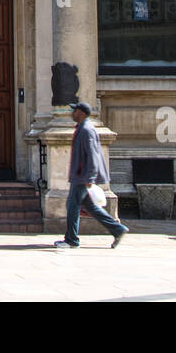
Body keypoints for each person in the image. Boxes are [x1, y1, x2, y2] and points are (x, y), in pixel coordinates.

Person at [55, 102, 128, 249]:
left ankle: (71, 240)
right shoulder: (83, 128)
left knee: (72, 206)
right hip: (81, 176)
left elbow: (92, 156)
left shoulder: (86, 130)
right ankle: (117, 229)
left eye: (74, 111)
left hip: (82, 177)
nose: (72, 113)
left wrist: (90, 177)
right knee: (90, 207)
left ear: (81, 113)